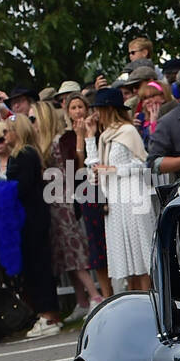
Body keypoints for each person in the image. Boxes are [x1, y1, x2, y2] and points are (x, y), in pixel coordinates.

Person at [33, 102, 100, 320]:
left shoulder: (56, 142)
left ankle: (94, 295)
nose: (32, 123)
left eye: (35, 119)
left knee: (74, 251)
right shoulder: (44, 143)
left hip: (62, 200)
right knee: (64, 254)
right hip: (53, 202)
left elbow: (68, 169)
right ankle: (81, 300)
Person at [87, 88, 155, 292]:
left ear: (108, 109)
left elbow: (142, 164)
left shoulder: (128, 131)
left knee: (142, 259)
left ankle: (149, 302)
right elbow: (94, 171)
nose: (96, 114)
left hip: (133, 196)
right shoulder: (104, 136)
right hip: (115, 199)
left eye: (99, 109)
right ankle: (133, 303)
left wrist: (114, 170)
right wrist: (89, 137)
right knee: (127, 261)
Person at [3, 114, 64, 334]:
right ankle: (48, 313)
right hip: (31, 217)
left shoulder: (24, 154)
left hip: (31, 219)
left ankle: (48, 315)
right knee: (37, 267)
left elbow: (21, 187)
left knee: (38, 268)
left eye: (7, 130)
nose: (4, 136)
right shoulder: (27, 154)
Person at [66, 93, 111, 302]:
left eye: (80, 107)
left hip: (106, 188)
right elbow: (76, 168)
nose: (78, 111)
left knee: (112, 241)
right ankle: (106, 294)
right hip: (86, 193)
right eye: (73, 108)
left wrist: (89, 134)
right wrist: (79, 137)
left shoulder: (100, 130)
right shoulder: (66, 138)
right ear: (67, 112)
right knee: (97, 247)